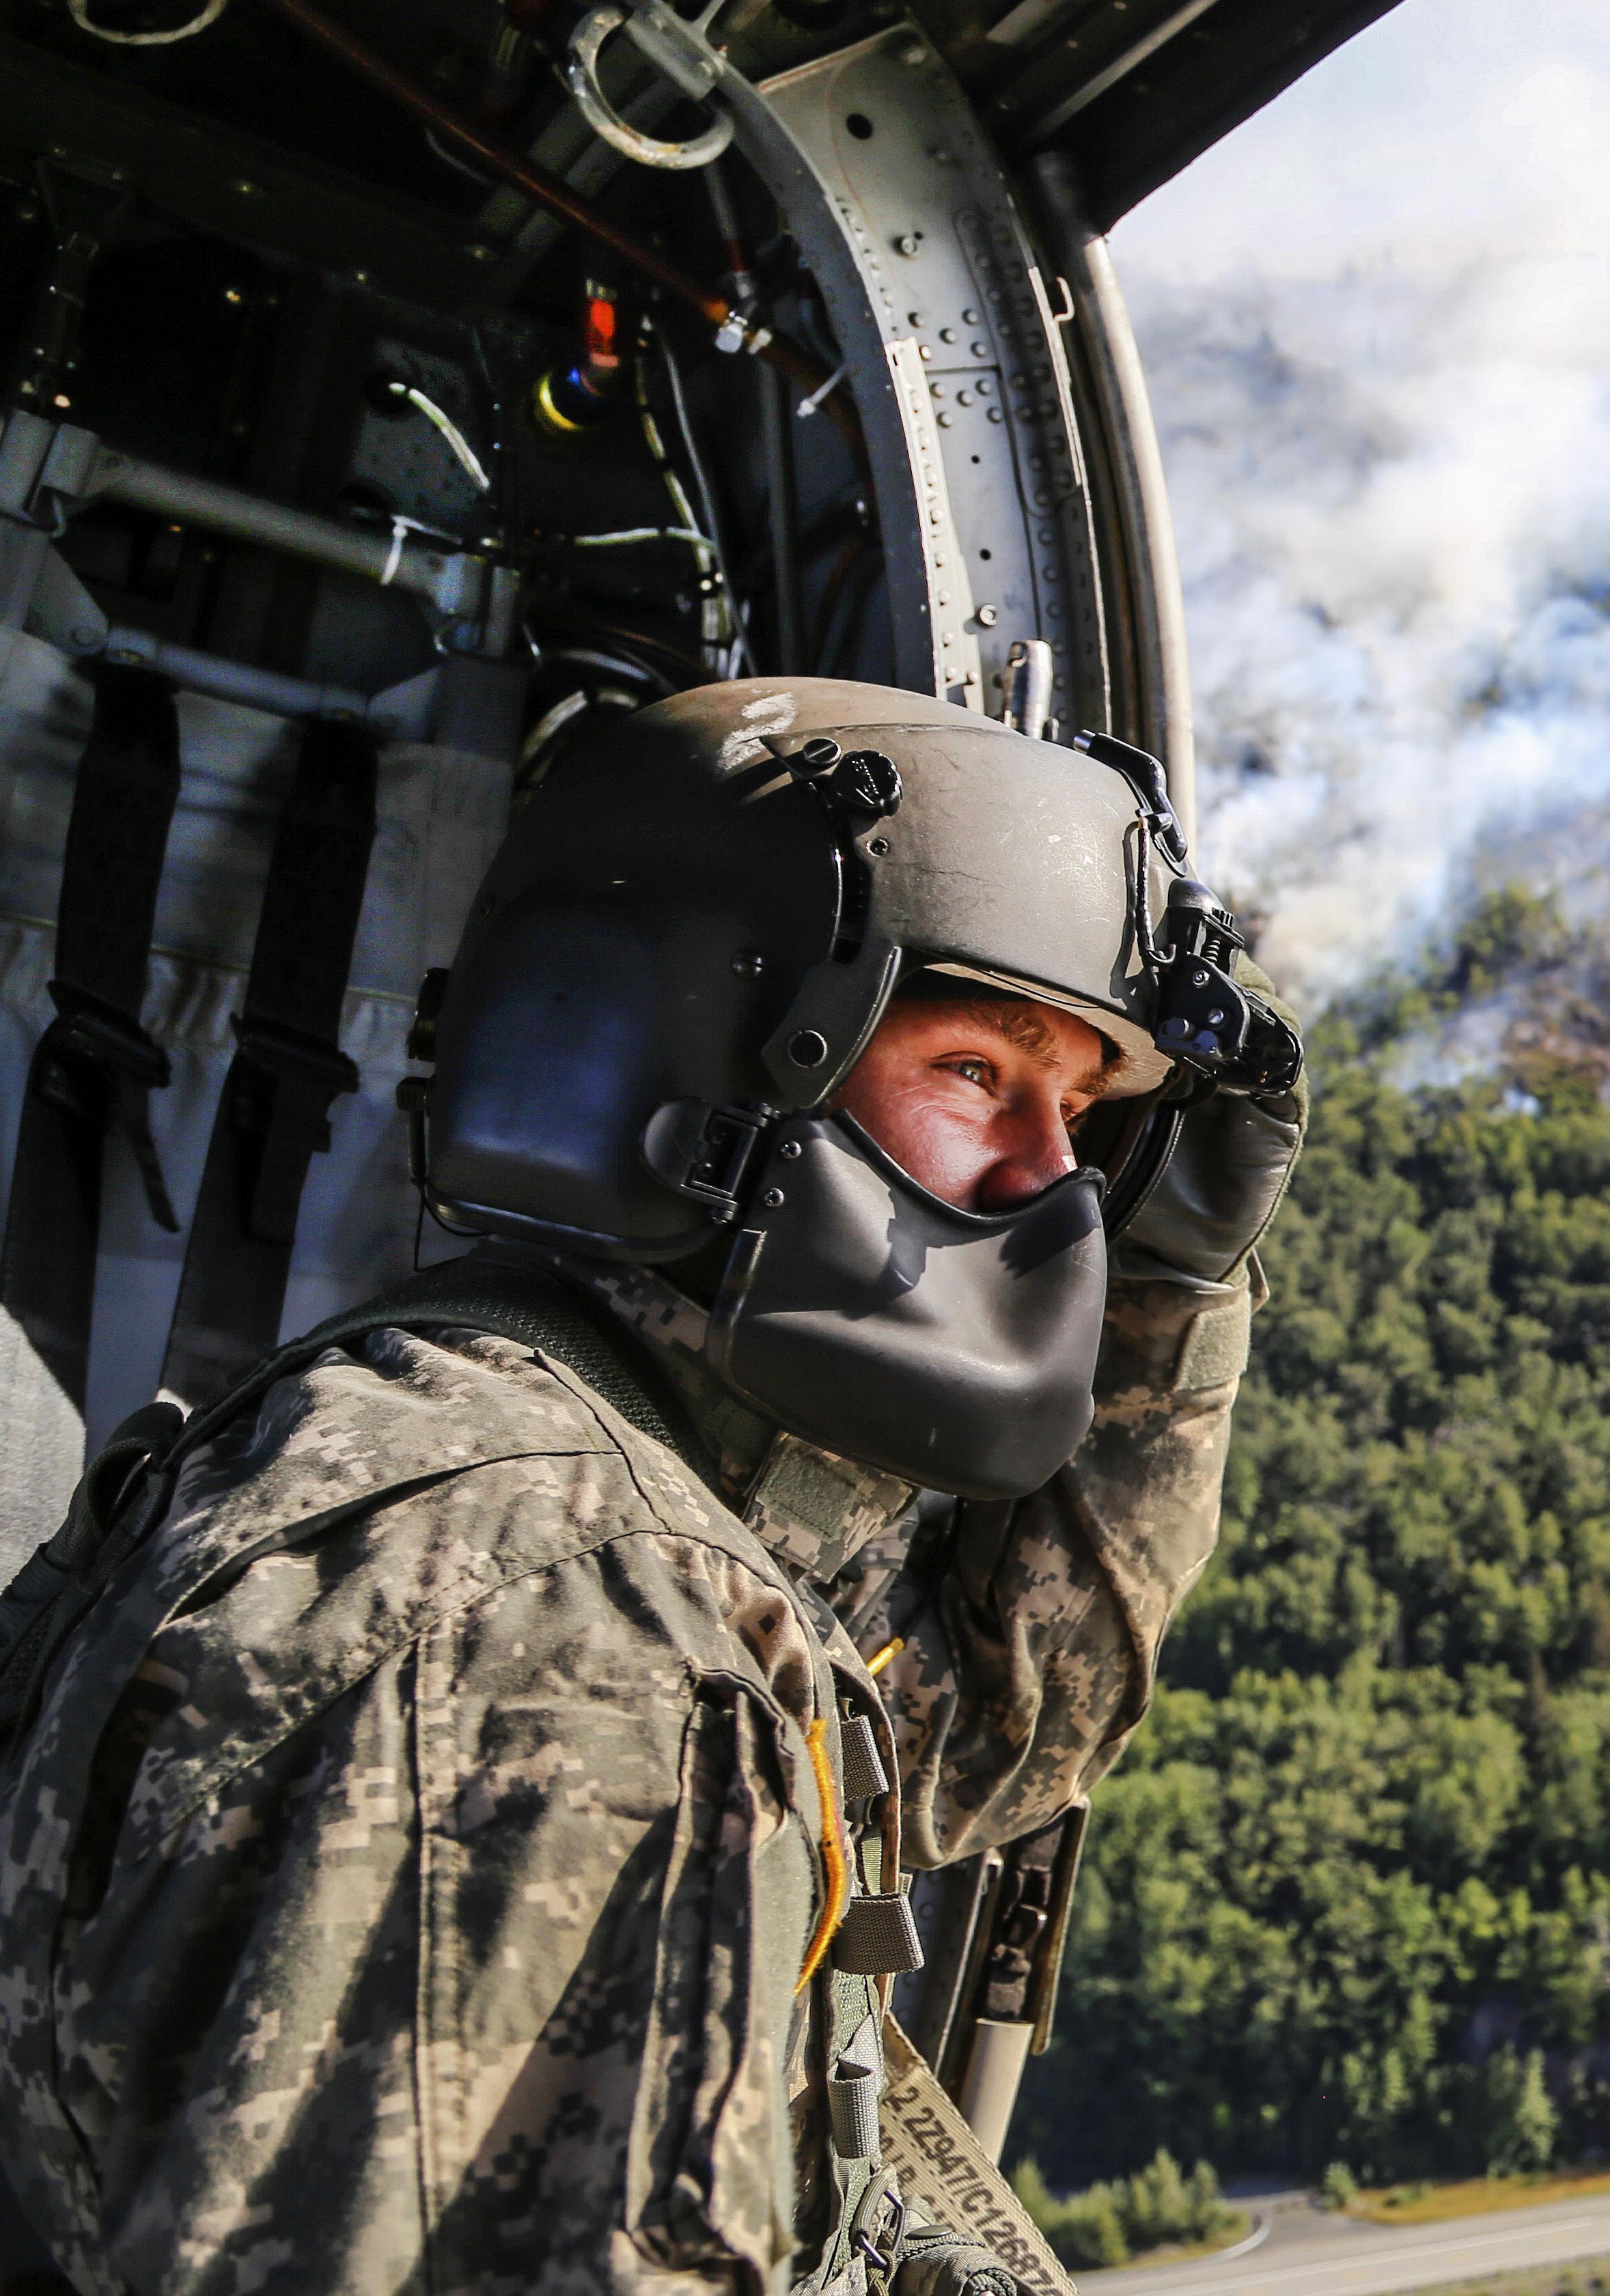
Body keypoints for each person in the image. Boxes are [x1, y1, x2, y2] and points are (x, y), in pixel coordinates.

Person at [0, 680, 1303, 2296]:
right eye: (979, 1072)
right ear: (710, 1041)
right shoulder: (563, 1639)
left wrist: (1174, 1297)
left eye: (1087, 1113)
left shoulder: (546, 1458)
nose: (1056, 1180)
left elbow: (963, 1742)